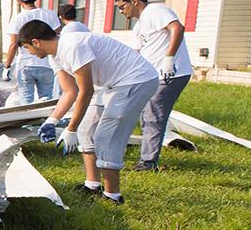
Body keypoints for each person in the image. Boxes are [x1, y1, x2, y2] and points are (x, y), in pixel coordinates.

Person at [22, 20, 159, 204]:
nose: (28, 52)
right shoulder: (54, 56)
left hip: (136, 80)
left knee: (107, 136)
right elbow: (70, 92)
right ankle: (92, 185)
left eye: (27, 47)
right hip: (112, 84)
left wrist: (70, 128)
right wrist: (51, 121)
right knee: (87, 129)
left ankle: (113, 195)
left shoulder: (72, 46)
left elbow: (86, 91)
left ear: (36, 42)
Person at [113, 0, 194, 171]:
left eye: (122, 6)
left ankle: (148, 163)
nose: (121, 11)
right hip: (152, 76)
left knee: (153, 115)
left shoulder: (156, 11)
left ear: (134, 1)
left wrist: (169, 58)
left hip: (171, 73)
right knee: (145, 114)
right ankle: (148, 157)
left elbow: (177, 28)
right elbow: (137, 54)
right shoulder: (140, 25)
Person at [4, 0, 61, 102]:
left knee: (26, 100)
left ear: (20, 0)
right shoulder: (50, 15)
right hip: (47, 64)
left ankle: (27, 120)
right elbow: (56, 37)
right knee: (46, 99)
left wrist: (7, 66)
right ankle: (44, 119)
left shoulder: (18, 18)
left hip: (26, 64)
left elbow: (13, 45)